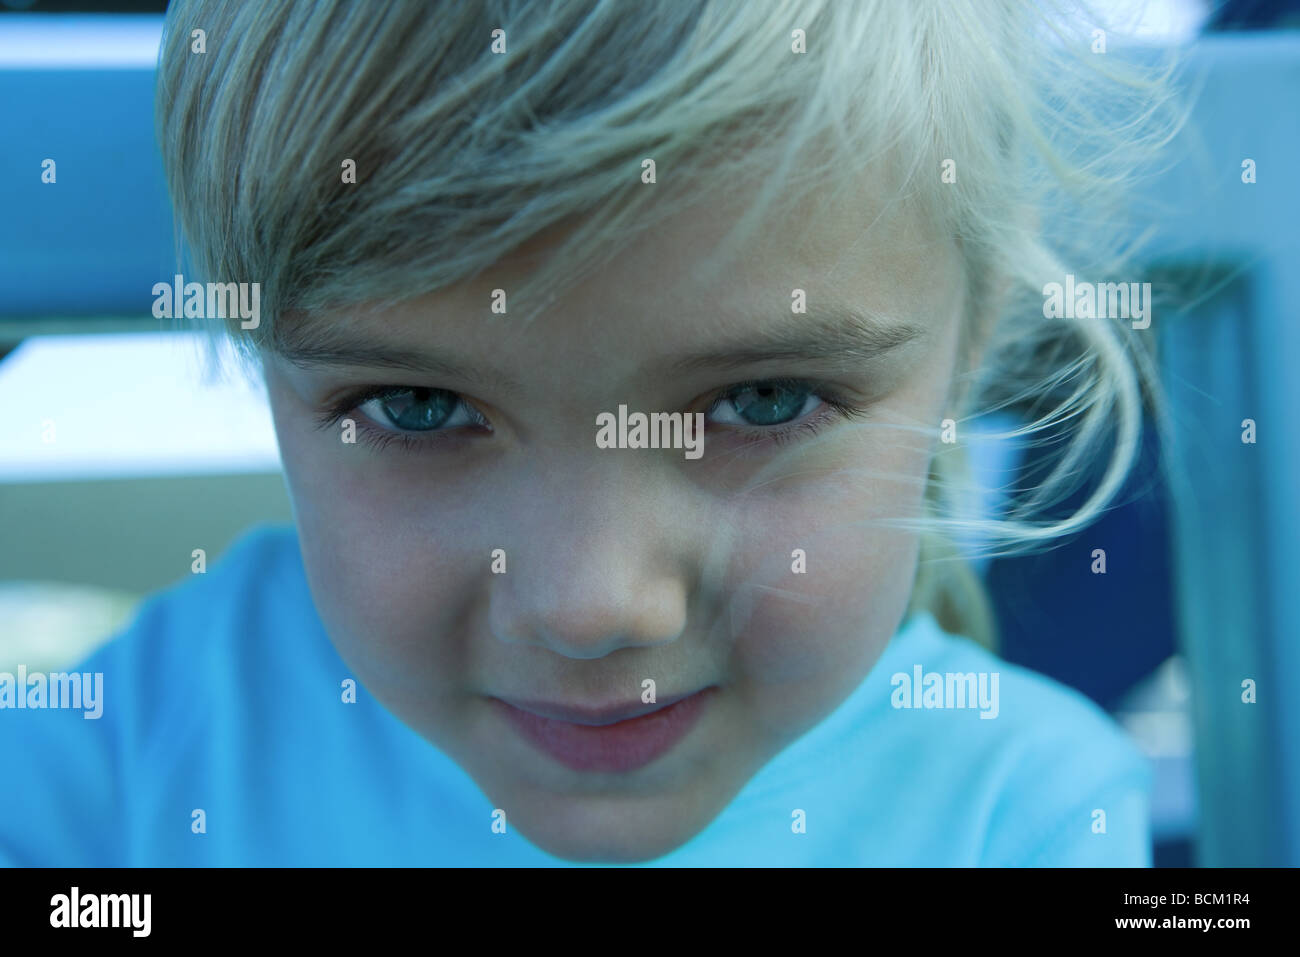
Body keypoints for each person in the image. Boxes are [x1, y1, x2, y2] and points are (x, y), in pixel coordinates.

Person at [0, 0, 1182, 865]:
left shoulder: (1016, 813)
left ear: (969, 350)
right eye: (417, 408)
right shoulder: (174, 717)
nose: (589, 603)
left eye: (763, 400)